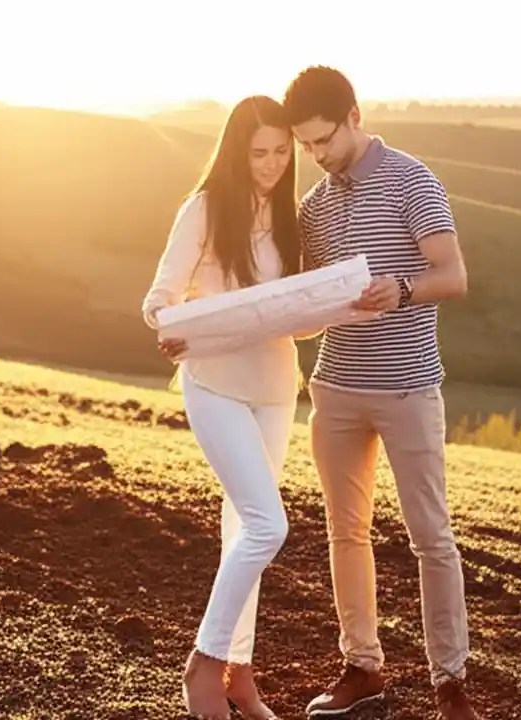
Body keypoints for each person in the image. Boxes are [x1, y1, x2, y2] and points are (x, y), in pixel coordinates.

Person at [282, 66, 482, 720]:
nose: (316, 155)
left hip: (407, 388)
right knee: (345, 533)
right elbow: (307, 308)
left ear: (354, 116)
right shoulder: (315, 205)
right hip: (335, 390)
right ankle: (362, 669)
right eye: (306, 146)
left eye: (323, 140)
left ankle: (449, 684)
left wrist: (400, 288)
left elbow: (453, 276)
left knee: (431, 538)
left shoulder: (411, 179)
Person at [141, 95, 303, 720]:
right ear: (237, 151)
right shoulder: (204, 207)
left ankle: (241, 678)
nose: (271, 163)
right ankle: (203, 670)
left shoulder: (293, 216)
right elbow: (157, 300)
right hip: (212, 382)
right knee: (268, 525)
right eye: (259, 152)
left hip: (275, 388)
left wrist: (343, 305)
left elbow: (299, 321)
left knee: (243, 532)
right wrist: (173, 324)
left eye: (282, 152)